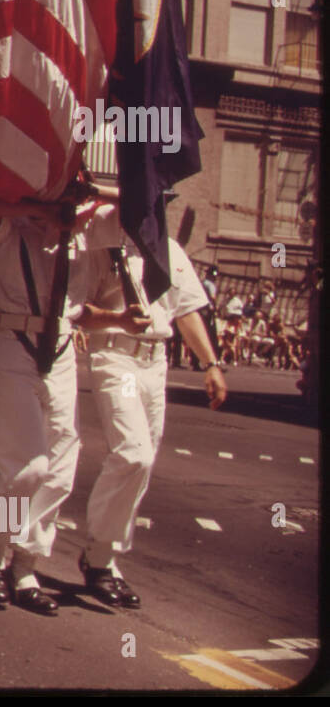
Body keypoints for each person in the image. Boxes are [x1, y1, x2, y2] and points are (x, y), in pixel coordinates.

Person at [0, 180, 124, 615]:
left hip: (62, 348)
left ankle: (25, 565)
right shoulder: (8, 228)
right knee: (27, 466)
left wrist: (90, 194)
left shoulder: (83, 232)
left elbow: (142, 202)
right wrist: (42, 209)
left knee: (61, 469)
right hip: (16, 341)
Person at [76, 236, 227, 607]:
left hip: (156, 361)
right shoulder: (105, 244)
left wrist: (210, 364)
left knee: (145, 462)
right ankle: (99, 557)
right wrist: (117, 320)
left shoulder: (170, 250)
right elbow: (80, 309)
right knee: (133, 454)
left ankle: (105, 557)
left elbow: (186, 310)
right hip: (116, 356)